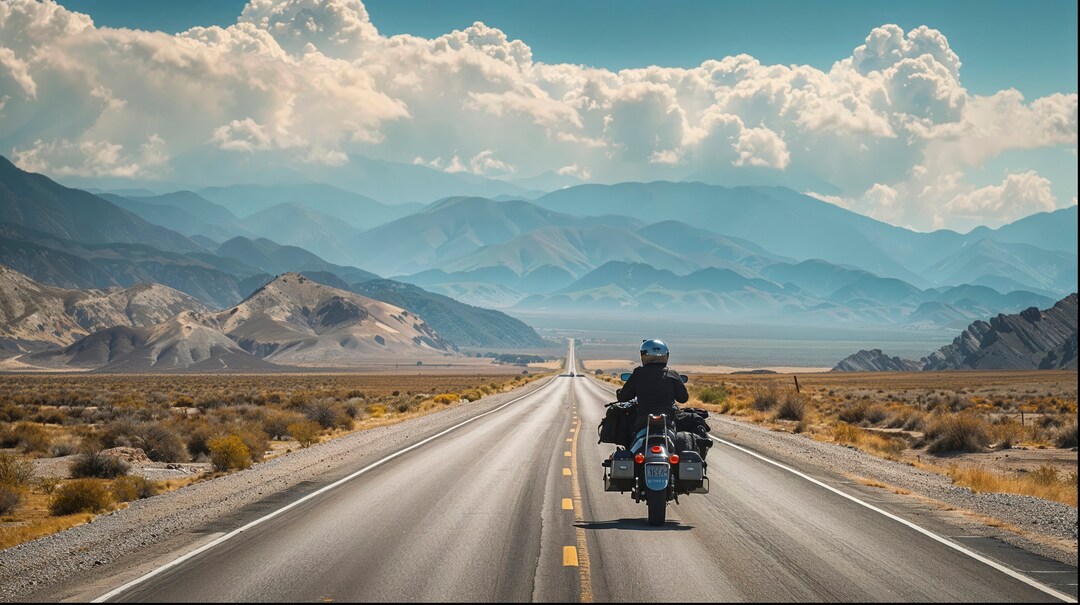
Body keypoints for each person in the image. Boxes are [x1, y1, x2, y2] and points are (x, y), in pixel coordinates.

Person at [616, 339, 688, 437]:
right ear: (666, 355)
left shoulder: (638, 373)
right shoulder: (672, 374)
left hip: (643, 419)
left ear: (643, 356)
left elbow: (623, 398)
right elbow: (683, 398)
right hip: (668, 420)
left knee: (629, 438)